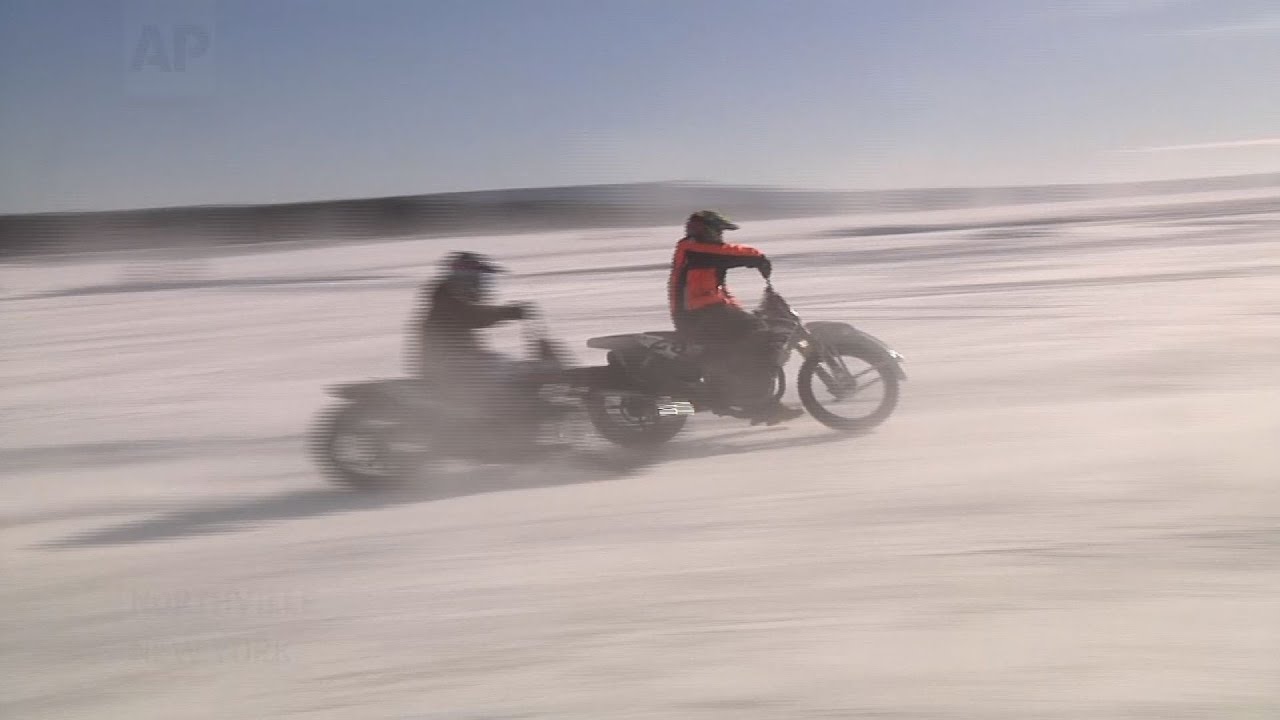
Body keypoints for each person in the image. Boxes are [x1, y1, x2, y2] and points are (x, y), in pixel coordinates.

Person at [667, 210, 804, 425]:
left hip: (705, 313)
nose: (720, 236)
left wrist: (738, 309)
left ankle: (736, 391)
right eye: (718, 231)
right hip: (699, 314)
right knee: (761, 334)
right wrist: (756, 257)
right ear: (706, 230)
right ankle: (759, 403)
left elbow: (718, 290)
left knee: (747, 332)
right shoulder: (693, 249)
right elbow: (726, 254)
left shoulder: (701, 256)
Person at [406, 251, 537, 422]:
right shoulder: (446, 303)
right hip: (450, 371)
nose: (482, 285)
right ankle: (513, 421)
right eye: (479, 280)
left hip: (457, 367)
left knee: (508, 367)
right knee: (506, 372)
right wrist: (508, 312)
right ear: (465, 279)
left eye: (484, 281)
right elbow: (472, 316)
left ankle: (516, 418)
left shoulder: (446, 300)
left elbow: (471, 316)